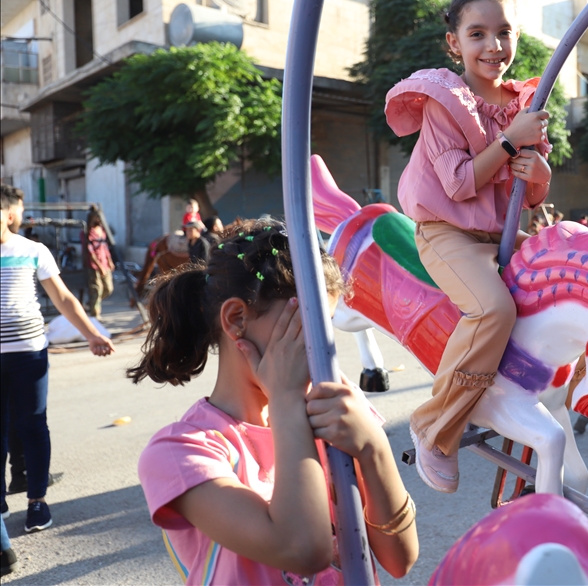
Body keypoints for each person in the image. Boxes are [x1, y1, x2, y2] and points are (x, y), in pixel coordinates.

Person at [131, 220, 418, 581]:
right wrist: (285, 399)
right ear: (237, 319)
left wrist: (374, 448)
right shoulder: (180, 452)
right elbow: (302, 550)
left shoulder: (337, 413)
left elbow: (399, 560)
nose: (323, 349)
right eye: (308, 328)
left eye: (328, 328)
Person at [383, 0, 552, 493]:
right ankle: (433, 426)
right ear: (454, 43)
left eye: (504, 32)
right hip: (448, 232)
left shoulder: (523, 102)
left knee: (566, 258)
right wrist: (510, 141)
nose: (493, 45)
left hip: (499, 232)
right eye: (477, 33)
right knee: (494, 310)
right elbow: (459, 184)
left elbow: (531, 194)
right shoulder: (444, 100)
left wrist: (540, 171)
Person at [1, 184, 115, 533]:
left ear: (7, 215)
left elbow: (64, 298)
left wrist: (92, 334)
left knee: (33, 424)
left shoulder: (33, 250)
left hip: (29, 353)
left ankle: (37, 501)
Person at [80, 209, 114, 318]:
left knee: (108, 288)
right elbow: (90, 252)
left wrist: (109, 261)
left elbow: (105, 247)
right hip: (93, 266)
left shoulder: (102, 230)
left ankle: (91, 304)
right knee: (96, 289)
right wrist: (99, 266)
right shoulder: (86, 232)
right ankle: (95, 315)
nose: (99, 220)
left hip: (105, 263)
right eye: (97, 217)